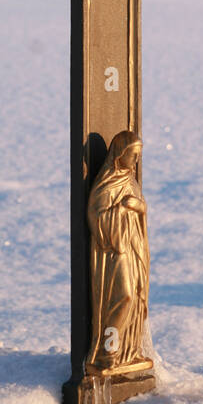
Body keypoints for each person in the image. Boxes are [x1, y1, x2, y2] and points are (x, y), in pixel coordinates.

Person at [85, 130, 152, 374]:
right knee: (123, 296)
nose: (135, 161)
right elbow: (97, 219)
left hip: (134, 248)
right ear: (120, 154)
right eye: (132, 155)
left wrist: (139, 207)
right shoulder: (107, 184)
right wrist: (123, 210)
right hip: (116, 251)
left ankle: (127, 349)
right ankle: (106, 352)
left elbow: (140, 206)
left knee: (135, 296)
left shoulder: (130, 181)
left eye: (138, 156)